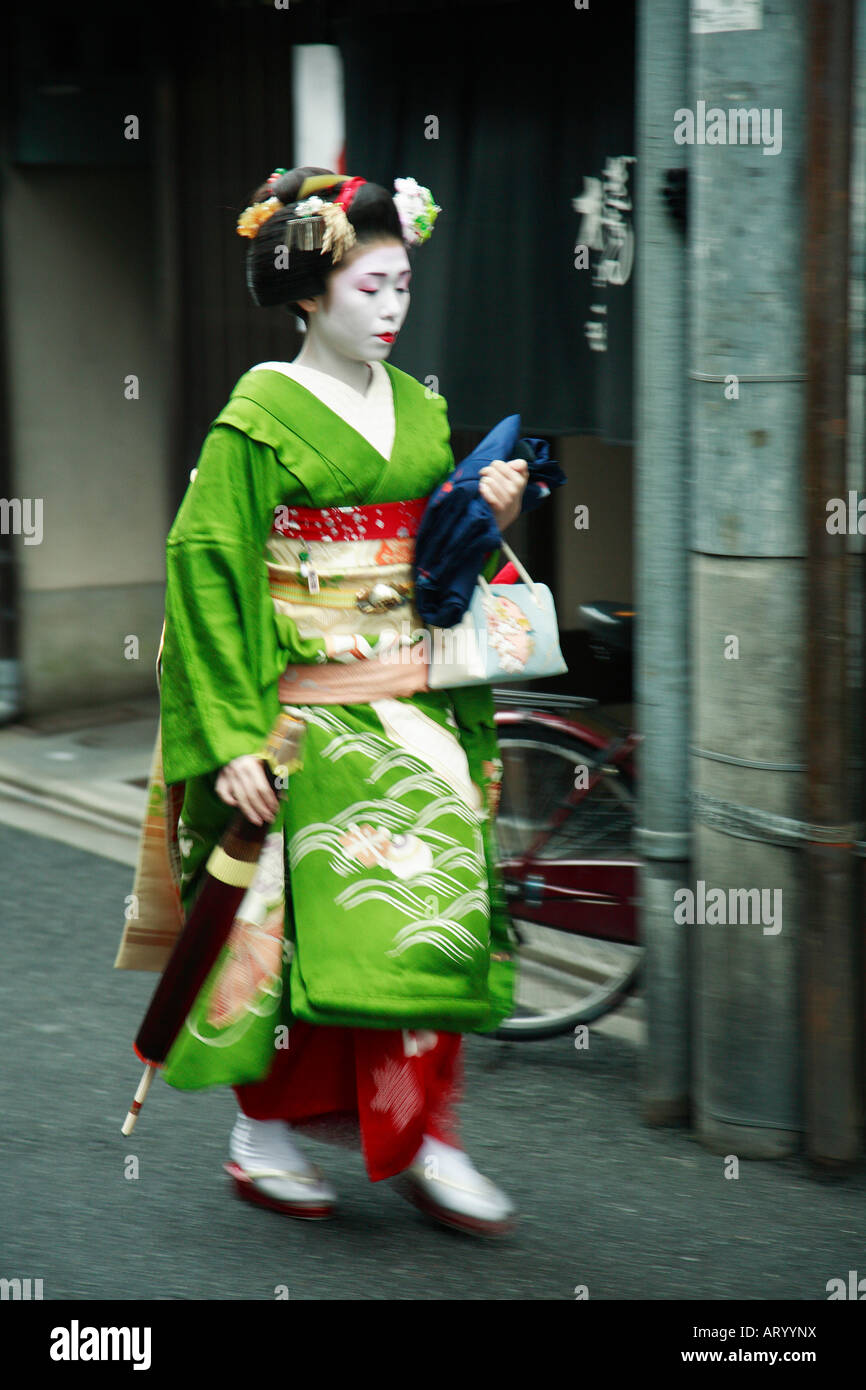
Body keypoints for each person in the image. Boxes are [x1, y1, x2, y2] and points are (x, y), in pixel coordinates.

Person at [119, 166, 529, 1237]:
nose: (391, 312)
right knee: (283, 932)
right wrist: (232, 735)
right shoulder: (254, 419)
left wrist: (480, 510)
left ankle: (430, 1136)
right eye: (368, 290)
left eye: (401, 287)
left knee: (434, 915)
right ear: (309, 292)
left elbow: (437, 554)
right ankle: (263, 1134)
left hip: (411, 698)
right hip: (298, 708)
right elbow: (208, 569)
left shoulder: (420, 410)